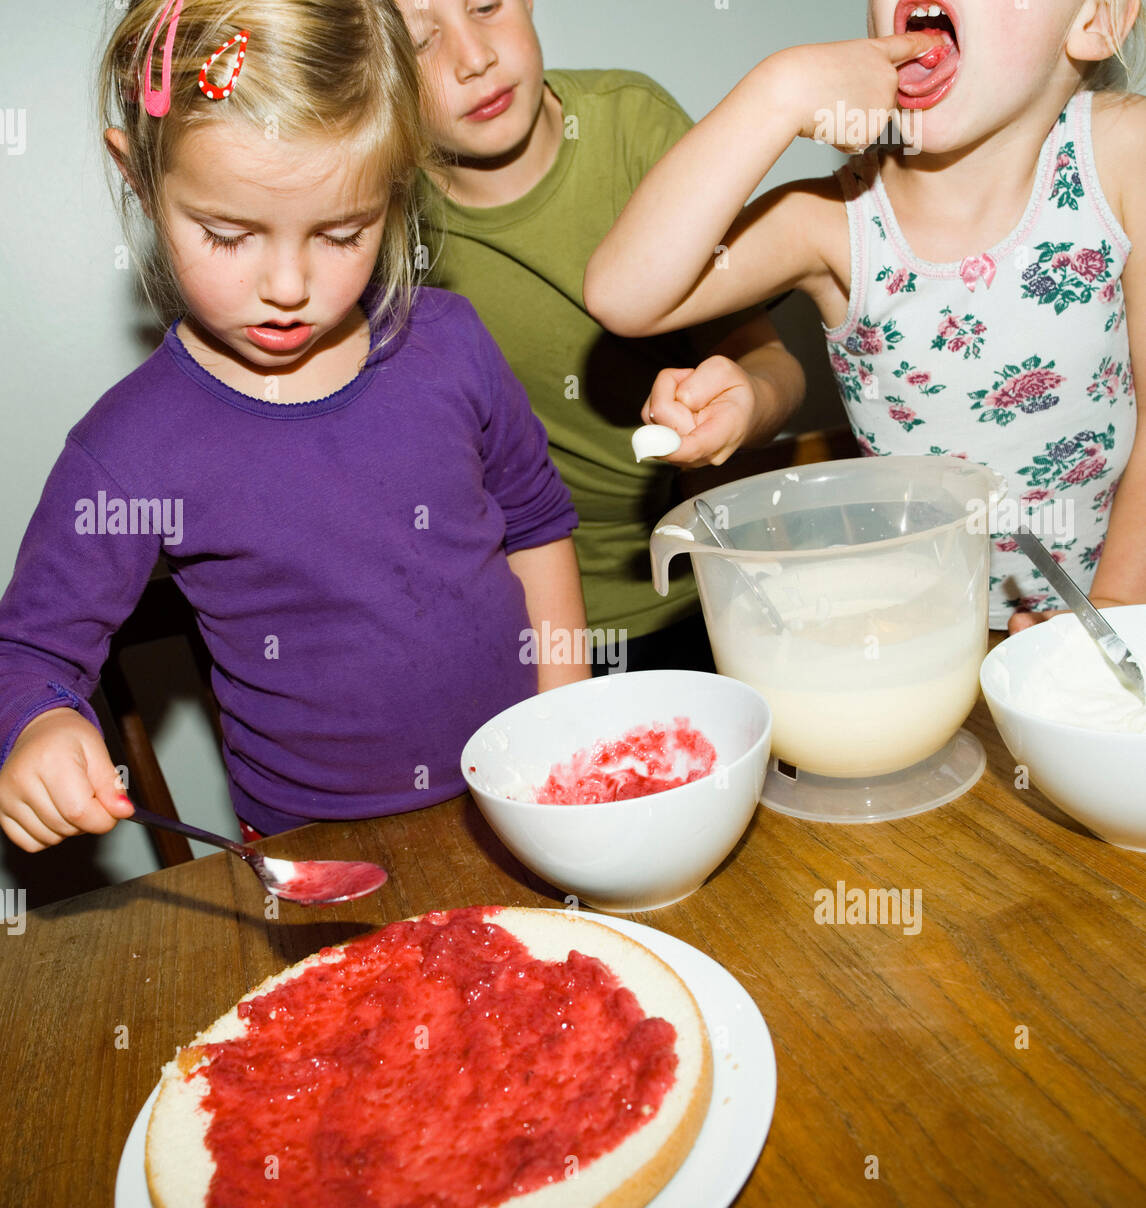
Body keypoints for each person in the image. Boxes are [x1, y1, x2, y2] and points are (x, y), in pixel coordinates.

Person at [0, 0, 588, 855]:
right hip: (312, 850)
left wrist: (561, 729)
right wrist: (39, 727)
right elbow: (28, 651)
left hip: (523, 795)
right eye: (228, 235)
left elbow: (537, 528)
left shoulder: (451, 344)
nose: (288, 283)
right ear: (138, 176)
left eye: (343, 232)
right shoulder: (130, 452)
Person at [585, 1, 1146, 634]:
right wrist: (777, 92)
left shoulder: (1127, 156)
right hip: (927, 636)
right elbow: (622, 295)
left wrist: (1115, 612)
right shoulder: (829, 223)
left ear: (1096, 21)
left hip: (1122, 616)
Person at [394, 0, 807, 673]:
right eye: (419, 41)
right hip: (510, 629)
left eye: (486, 7)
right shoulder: (371, 215)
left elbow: (772, 363)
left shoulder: (630, 126)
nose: (475, 58)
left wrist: (748, 402)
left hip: (701, 595)